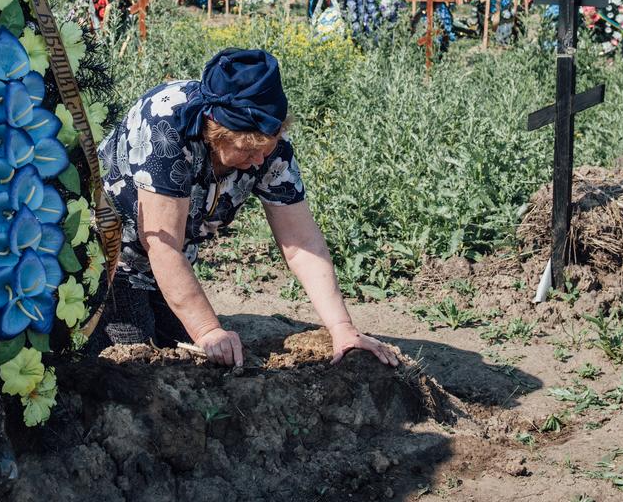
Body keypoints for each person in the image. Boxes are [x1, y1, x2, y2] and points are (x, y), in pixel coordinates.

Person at [94, 48, 397, 368]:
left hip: (176, 256)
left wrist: (342, 328)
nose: (258, 162)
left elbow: (303, 245)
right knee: (135, 354)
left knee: (181, 348)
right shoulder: (165, 129)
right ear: (215, 131)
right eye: (247, 150)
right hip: (113, 252)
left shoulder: (270, 152)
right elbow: (162, 244)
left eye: (265, 150)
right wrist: (208, 329)